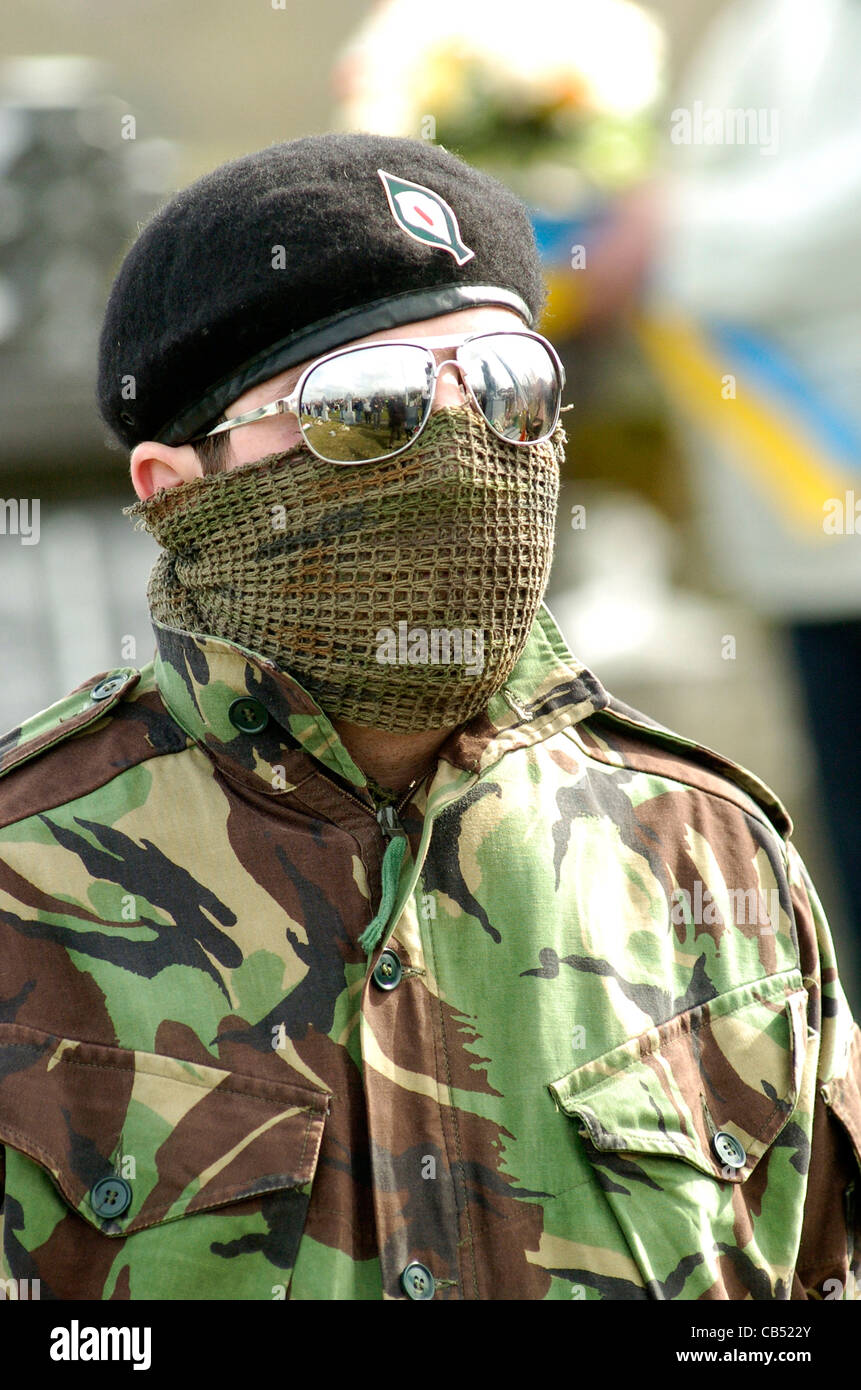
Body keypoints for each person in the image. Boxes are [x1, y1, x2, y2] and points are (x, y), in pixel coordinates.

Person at [0, 133, 858, 1302]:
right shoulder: (21, 872)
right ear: (176, 488)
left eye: (507, 386)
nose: (464, 452)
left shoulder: (708, 857)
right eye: (368, 406)